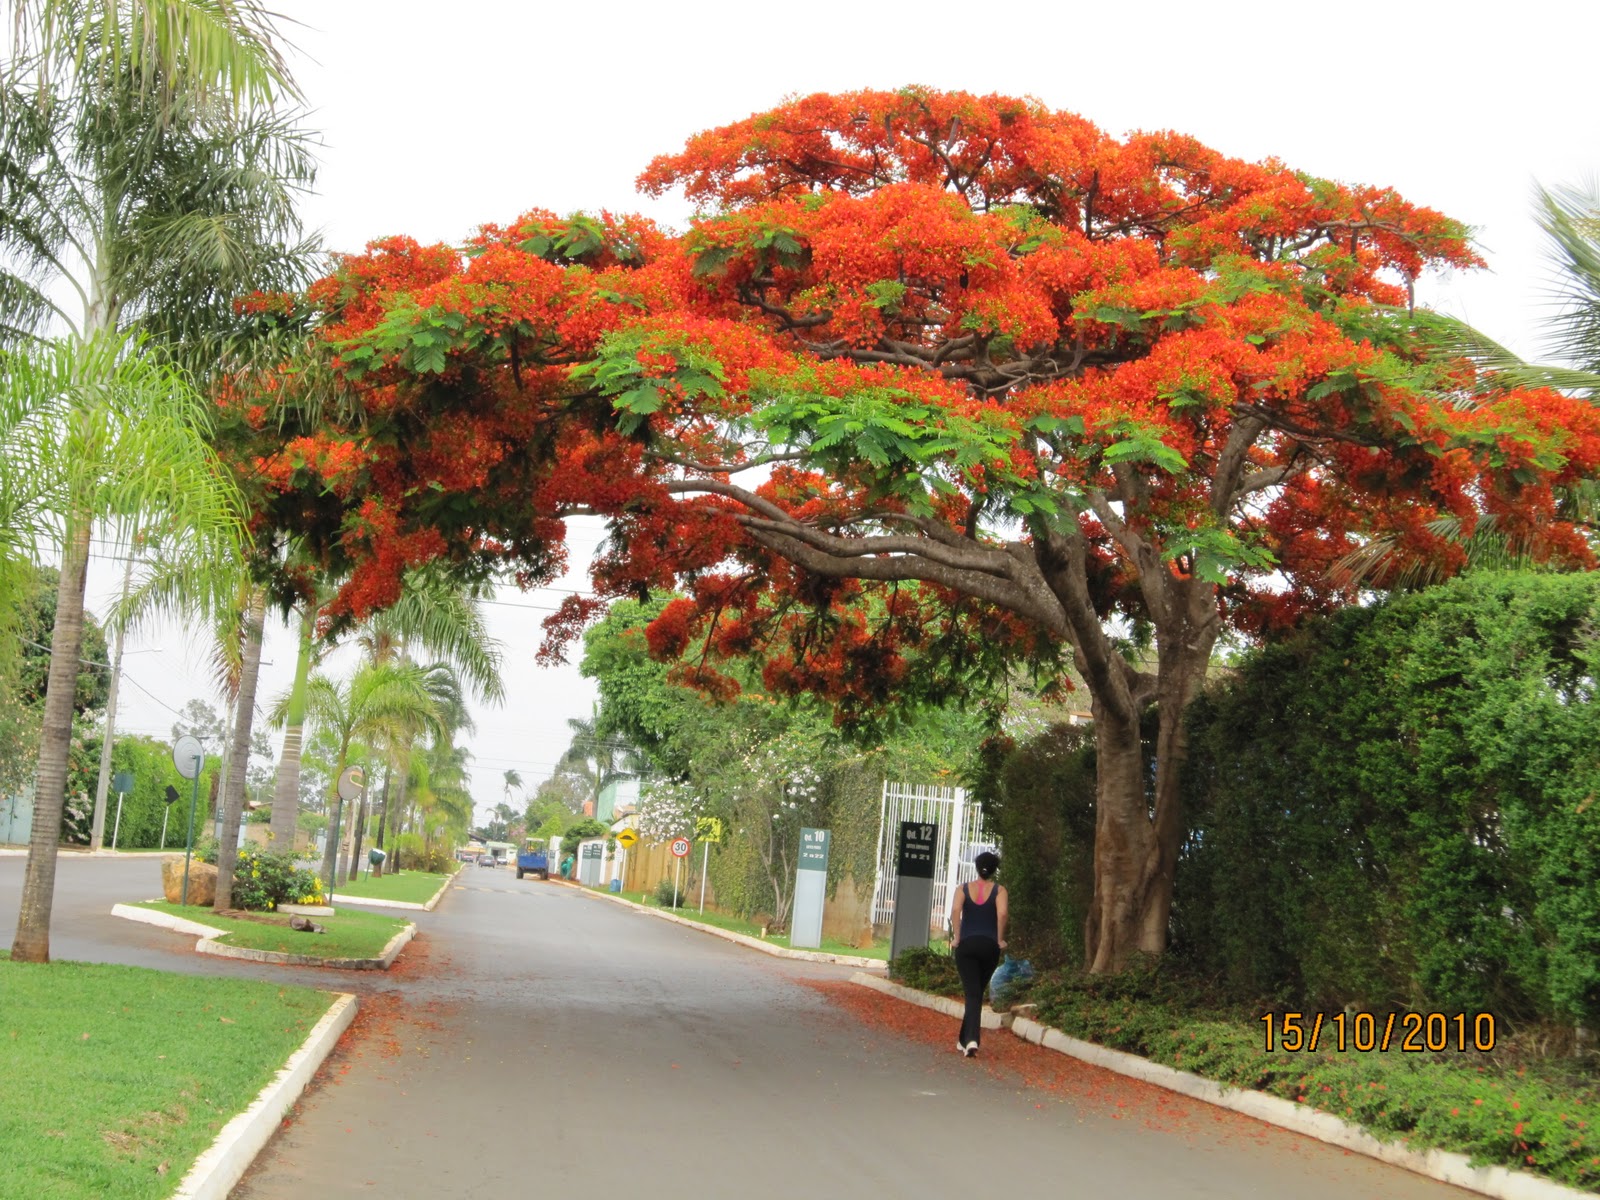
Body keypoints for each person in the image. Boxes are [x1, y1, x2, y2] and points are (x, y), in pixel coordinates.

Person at [949, 850, 1007, 1057]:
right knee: (977, 992)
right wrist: (999, 939)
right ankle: (965, 1038)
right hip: (989, 947)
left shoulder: (963, 889)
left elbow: (955, 910)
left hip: (966, 946)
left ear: (976, 867)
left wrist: (957, 937)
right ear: (994, 870)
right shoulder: (1000, 891)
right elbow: (1001, 913)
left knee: (972, 993)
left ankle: (971, 1039)